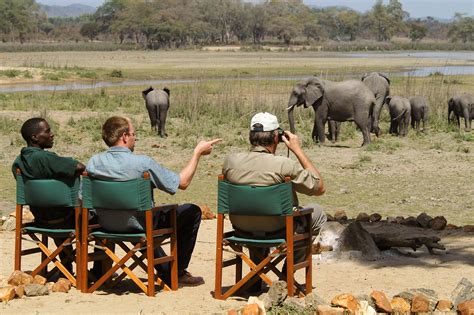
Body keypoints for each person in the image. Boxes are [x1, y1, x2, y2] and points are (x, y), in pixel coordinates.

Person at [86, 116, 220, 286]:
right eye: (134, 134)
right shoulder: (142, 163)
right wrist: (197, 153)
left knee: (136, 212)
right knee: (191, 211)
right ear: (125, 136)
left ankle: (100, 271)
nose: (135, 138)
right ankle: (176, 273)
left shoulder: (93, 163)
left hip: (106, 225)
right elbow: (182, 182)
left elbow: (85, 199)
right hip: (140, 226)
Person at [222, 112, 327, 292]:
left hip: (242, 229)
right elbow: (319, 187)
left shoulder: (231, 162)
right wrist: (297, 150)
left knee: (256, 214)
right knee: (316, 212)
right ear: (276, 137)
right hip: (278, 229)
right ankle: (286, 277)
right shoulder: (284, 164)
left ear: (250, 136)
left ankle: (255, 276)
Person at [12, 117, 86, 273]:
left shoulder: (19, 162)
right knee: (102, 221)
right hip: (64, 220)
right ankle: (99, 272)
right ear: (35, 137)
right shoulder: (45, 158)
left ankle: (66, 268)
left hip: (40, 218)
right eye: (47, 131)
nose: (52, 134)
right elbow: (79, 167)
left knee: (56, 211)